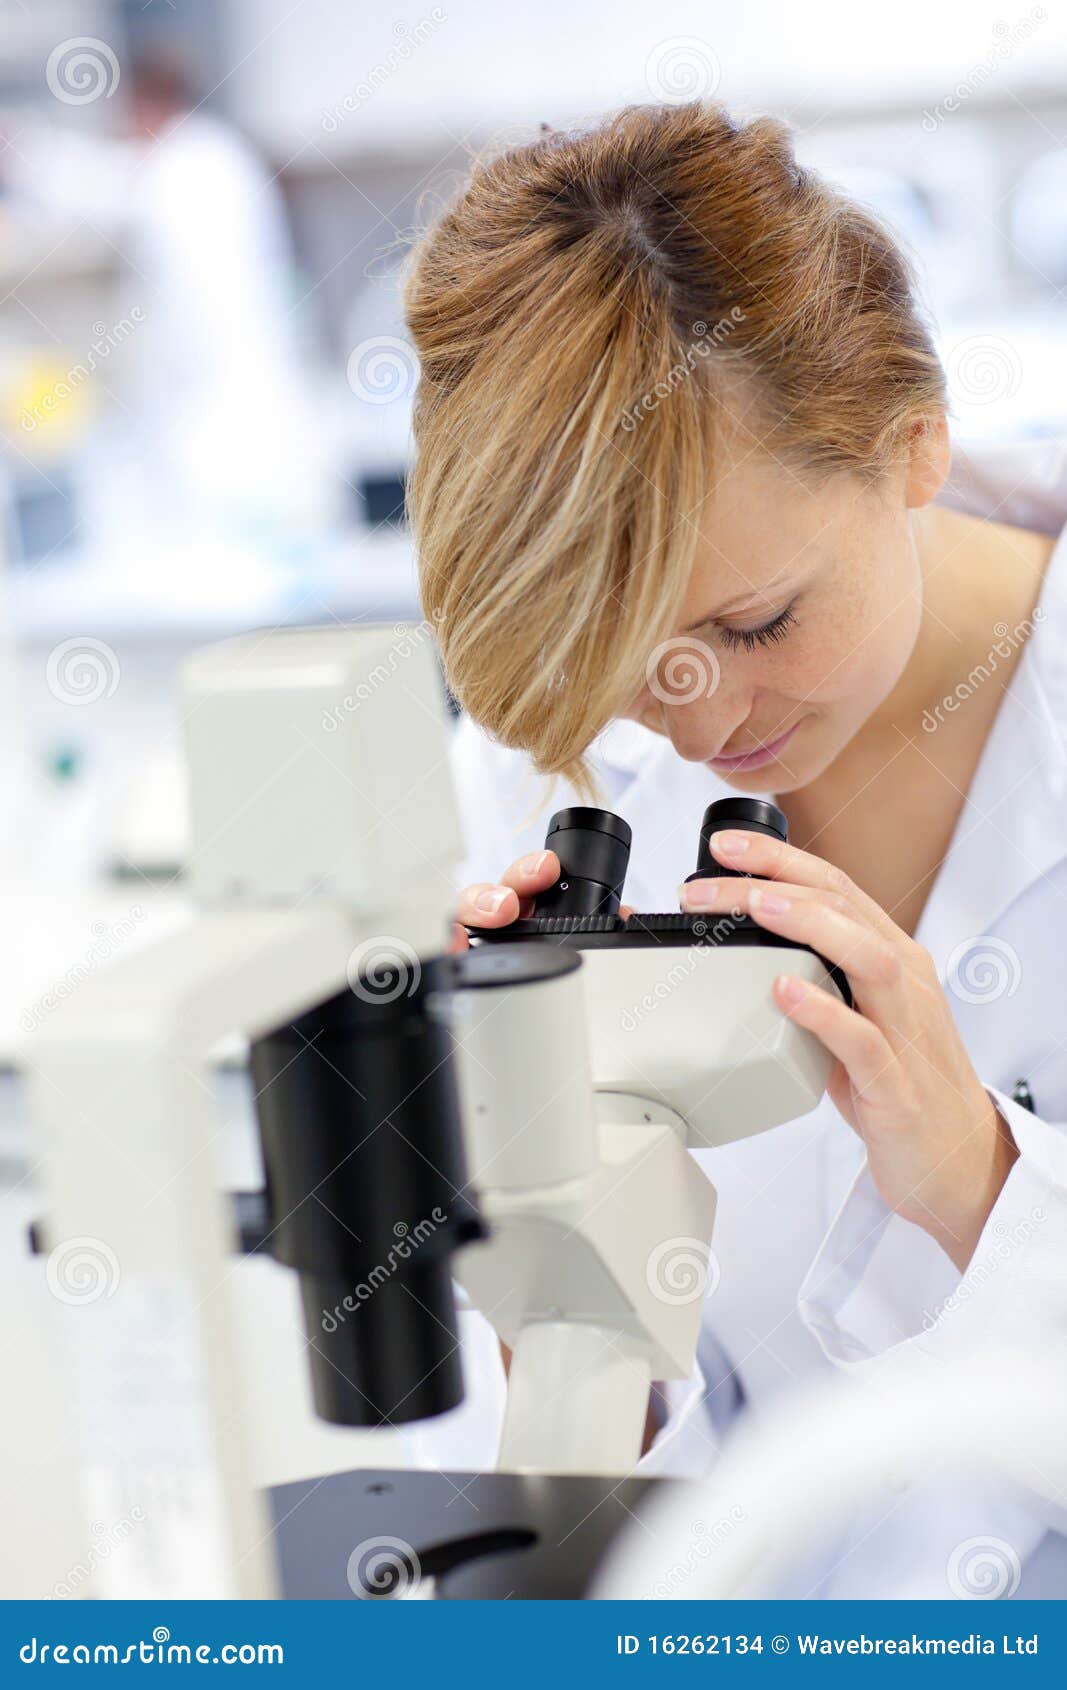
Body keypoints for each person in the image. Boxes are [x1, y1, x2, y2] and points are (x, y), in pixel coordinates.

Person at [400, 103, 1067, 1598]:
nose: (695, 718)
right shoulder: (551, 775)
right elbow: (522, 1504)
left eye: (755, 624)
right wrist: (542, 1267)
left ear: (913, 445)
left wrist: (979, 1183)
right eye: (631, 658)